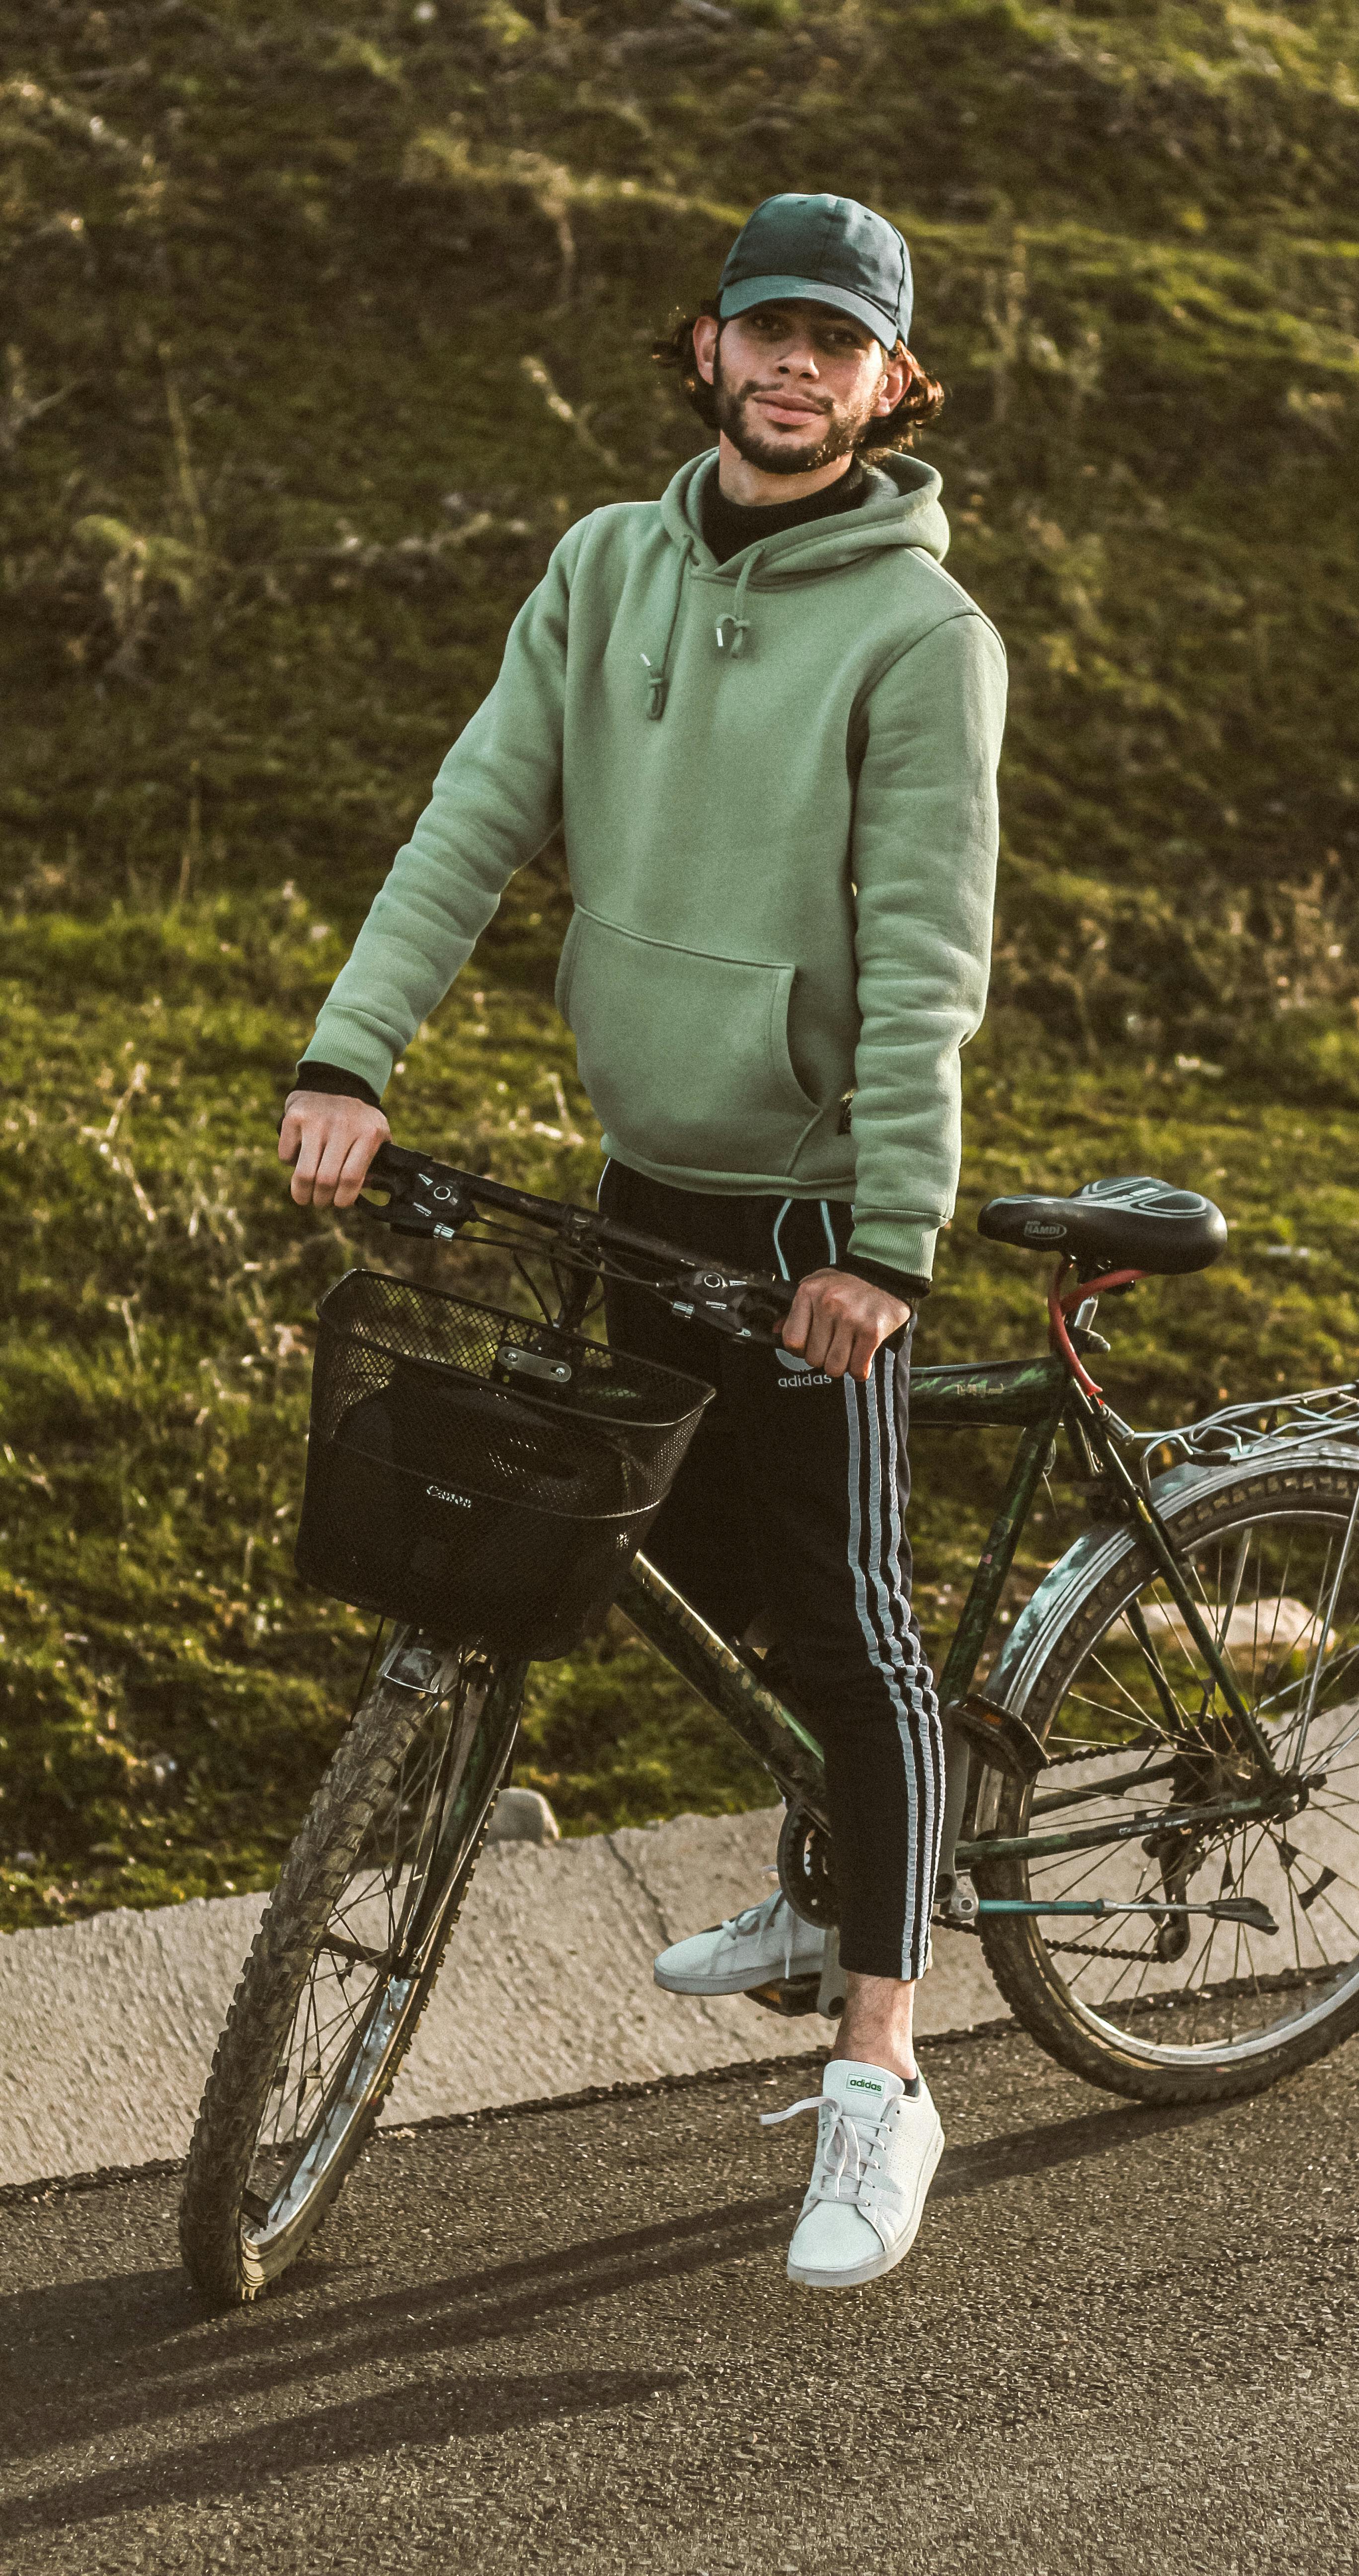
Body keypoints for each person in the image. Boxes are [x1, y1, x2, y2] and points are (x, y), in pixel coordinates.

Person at [278, 193, 1007, 2289]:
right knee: (668, 1560)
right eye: (769, 328)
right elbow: (475, 813)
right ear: (708, 347)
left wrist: (884, 1241)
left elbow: (922, 964)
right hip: (642, 1182)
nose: (797, 366)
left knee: (849, 1619)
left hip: (804, 1209)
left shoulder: (920, 639)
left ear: (888, 384)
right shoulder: (605, 567)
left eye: (838, 343)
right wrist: (353, 1054)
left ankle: (882, 2067)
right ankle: (830, 1856)